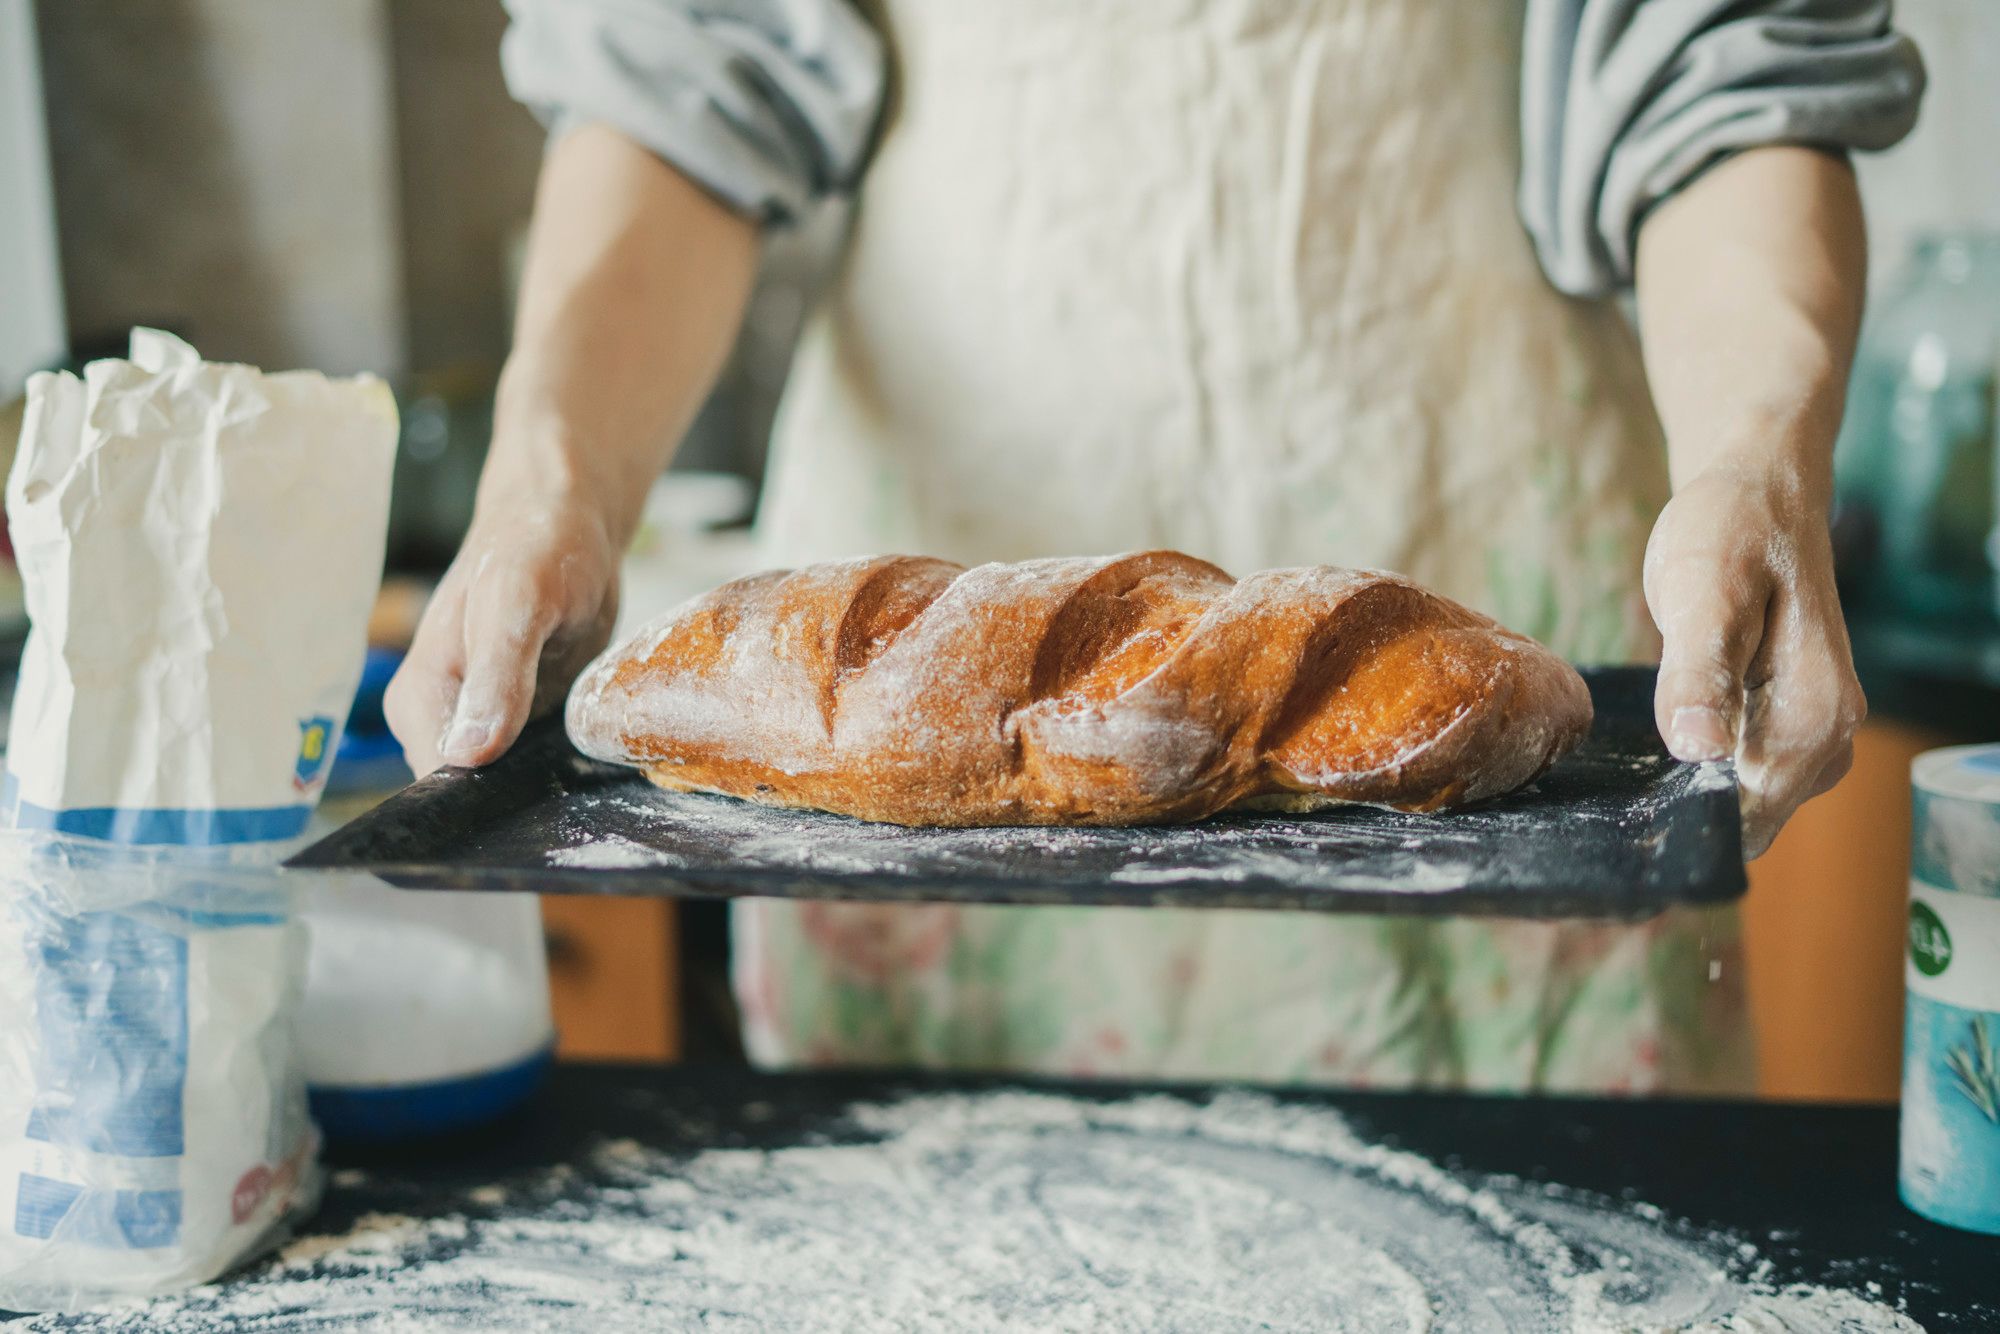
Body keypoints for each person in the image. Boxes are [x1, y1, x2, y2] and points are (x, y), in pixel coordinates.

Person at [386, 0, 1922, 1092]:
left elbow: (1733, 74)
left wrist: (1753, 449)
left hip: (1464, 570)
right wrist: (551, 479)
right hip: (927, 665)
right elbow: (675, 88)